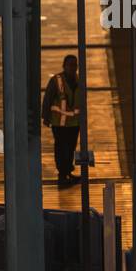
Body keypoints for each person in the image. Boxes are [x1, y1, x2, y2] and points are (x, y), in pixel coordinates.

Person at [41, 55, 82, 187]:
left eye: (75, 65)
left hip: (74, 123)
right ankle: (62, 176)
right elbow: (47, 99)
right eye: (70, 65)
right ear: (64, 66)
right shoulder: (56, 80)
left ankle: (68, 173)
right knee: (61, 148)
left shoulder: (78, 80)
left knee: (70, 148)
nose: (72, 68)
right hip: (59, 123)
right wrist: (46, 117)